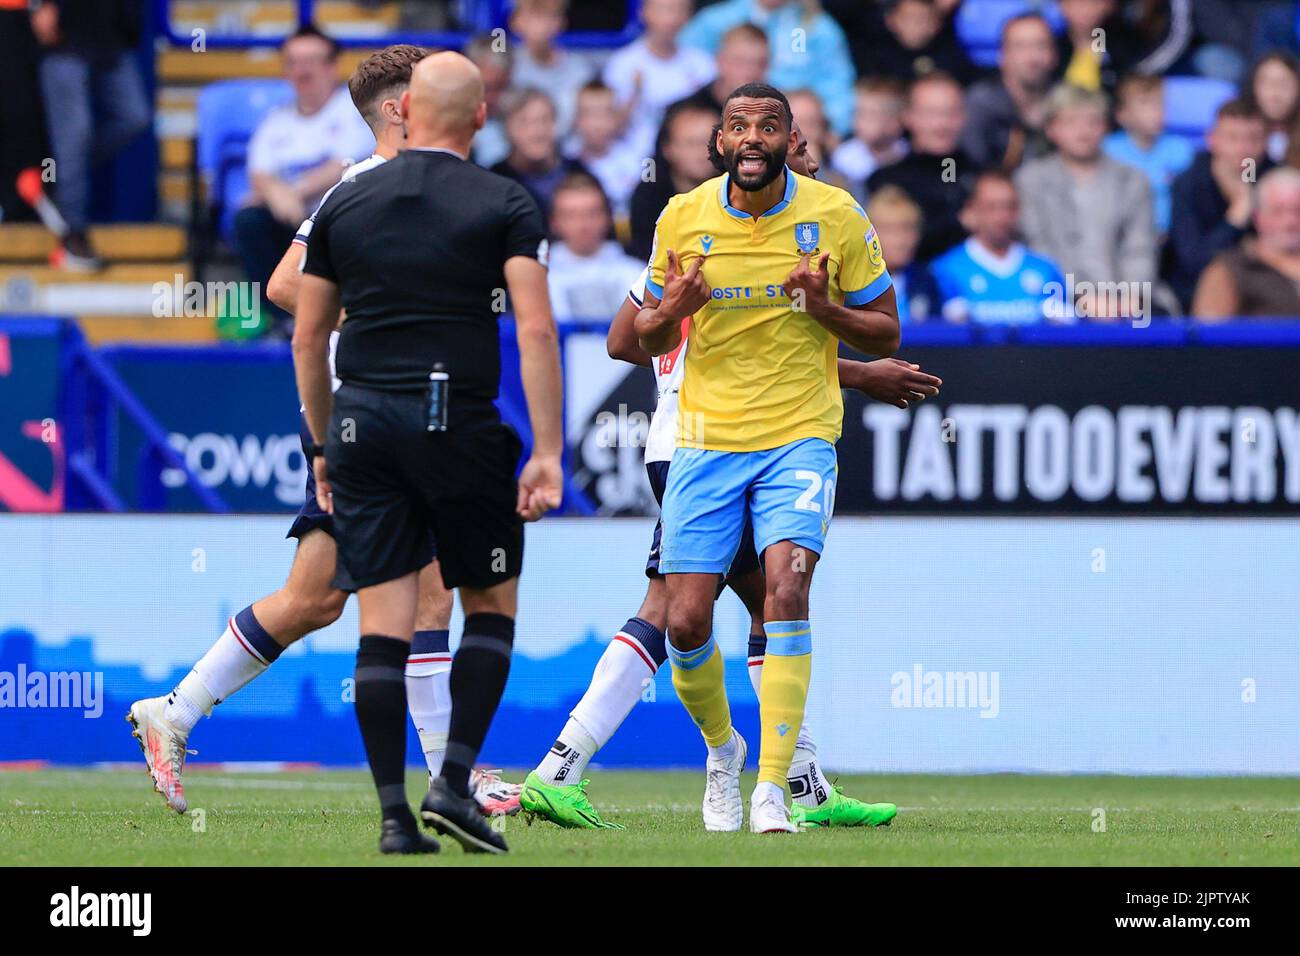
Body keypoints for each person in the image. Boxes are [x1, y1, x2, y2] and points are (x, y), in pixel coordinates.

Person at [127, 45, 518, 823]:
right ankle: (451, 777)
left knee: (313, 599)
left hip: (392, 419)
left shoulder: (407, 184)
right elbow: (279, 286)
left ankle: (174, 709)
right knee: (431, 588)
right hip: (376, 416)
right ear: (402, 109)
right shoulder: (365, 184)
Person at [519, 123, 938, 830]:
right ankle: (572, 764)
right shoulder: (695, 226)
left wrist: (848, 359)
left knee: (745, 605)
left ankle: (790, 781)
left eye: (799, 154)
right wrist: (859, 373)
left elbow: (778, 348)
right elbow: (642, 339)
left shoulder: (812, 221)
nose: (802, 168)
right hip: (693, 441)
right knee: (702, 611)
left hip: (743, 439)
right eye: (799, 155)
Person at [294, 51, 565, 855]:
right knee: (489, 604)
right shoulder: (506, 202)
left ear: (405, 110)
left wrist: (320, 442)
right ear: (481, 117)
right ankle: (453, 780)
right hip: (457, 423)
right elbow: (536, 329)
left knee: (382, 623)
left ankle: (392, 818)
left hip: (362, 426)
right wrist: (547, 449)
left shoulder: (344, 201)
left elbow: (309, 334)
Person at [635, 83, 900, 833]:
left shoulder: (836, 214)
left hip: (799, 434)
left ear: (790, 139)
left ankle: (773, 788)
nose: (753, 137)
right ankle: (724, 754)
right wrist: (674, 314)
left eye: (770, 126)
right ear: (719, 142)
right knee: (685, 623)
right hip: (707, 440)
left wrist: (825, 312)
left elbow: (886, 331)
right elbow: (646, 339)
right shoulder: (683, 218)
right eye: (739, 126)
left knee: (786, 590)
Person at [236, 25, 375, 333]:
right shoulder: (276, 120)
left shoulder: (353, 111)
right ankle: (281, 319)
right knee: (248, 219)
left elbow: (345, 164)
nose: (302, 71)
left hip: (339, 216)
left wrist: (293, 192)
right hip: (289, 219)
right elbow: (259, 173)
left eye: (310, 60)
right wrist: (277, 195)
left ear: (332, 65)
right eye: (293, 62)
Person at [1015, 83, 1156, 319]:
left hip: (1123, 302)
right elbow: (1037, 246)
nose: (1083, 131)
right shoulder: (1030, 180)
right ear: (1051, 129)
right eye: (1071, 122)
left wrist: (1129, 297)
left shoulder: (1133, 180)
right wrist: (1079, 298)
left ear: (1106, 128)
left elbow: (1139, 248)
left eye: (1092, 122)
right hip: (1051, 298)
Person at [30, 0, 150, 270]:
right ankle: (73, 233)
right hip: (66, 37)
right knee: (75, 133)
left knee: (135, 118)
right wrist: (38, 5)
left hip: (111, 36)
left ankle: (57, 180)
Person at [679, 0, 856, 136]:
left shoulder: (818, 28)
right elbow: (683, 65)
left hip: (792, 125)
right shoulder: (715, 21)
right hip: (714, 112)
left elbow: (838, 86)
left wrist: (833, 130)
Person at [1168, 98, 1270, 308]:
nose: (1244, 149)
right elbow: (1193, 261)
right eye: (1233, 138)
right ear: (1212, 139)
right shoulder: (1189, 183)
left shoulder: (1275, 179)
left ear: (1266, 143)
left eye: (1253, 139)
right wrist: (1239, 212)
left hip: (1267, 290)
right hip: (1196, 293)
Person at [868, 72, 981, 261]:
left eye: (950, 113)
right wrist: (958, 222)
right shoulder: (885, 181)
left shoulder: (979, 178)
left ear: (963, 117)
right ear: (908, 117)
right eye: (930, 113)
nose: (941, 124)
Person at [931, 171, 1068, 325]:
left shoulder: (1045, 269)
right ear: (972, 209)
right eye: (992, 207)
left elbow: (1065, 332)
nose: (1002, 217)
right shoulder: (945, 270)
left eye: (1010, 207)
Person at [602, 0, 717, 163]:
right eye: (664, 9)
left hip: (689, 158)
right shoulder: (622, 64)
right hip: (635, 160)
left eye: (680, 10)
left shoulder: (703, 65)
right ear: (643, 13)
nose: (671, 18)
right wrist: (634, 94)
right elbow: (608, 127)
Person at [1192, 166, 1300, 319]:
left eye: (1298, 210)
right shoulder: (1229, 269)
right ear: (1257, 217)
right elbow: (1209, 335)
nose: (1290, 221)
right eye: (1278, 211)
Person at [960, 12, 1060, 171]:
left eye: (1041, 45)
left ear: (1054, 55)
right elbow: (969, 169)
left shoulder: (1068, 103)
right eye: (1020, 46)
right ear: (1002, 56)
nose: (1032, 57)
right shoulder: (979, 104)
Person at [627, 101, 720, 261]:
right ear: (667, 149)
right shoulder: (647, 199)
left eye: (709, 142)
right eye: (691, 143)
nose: (702, 152)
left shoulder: (743, 189)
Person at [546, 173, 645, 321]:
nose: (583, 225)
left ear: (608, 217)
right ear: (553, 222)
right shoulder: (539, 278)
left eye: (592, 214)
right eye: (571, 216)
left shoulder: (637, 273)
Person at [490, 87, 593, 218]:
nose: (538, 132)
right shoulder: (495, 182)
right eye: (525, 122)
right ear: (506, 129)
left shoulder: (578, 171)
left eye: (545, 120)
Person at [508, 0, 591, 138]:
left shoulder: (581, 70)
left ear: (562, 22)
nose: (539, 26)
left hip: (567, 151)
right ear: (515, 22)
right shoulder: (508, 68)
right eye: (532, 17)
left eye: (548, 17)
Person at [565, 80, 642, 218]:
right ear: (576, 119)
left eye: (605, 114)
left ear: (617, 118)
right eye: (588, 114)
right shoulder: (566, 163)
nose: (597, 124)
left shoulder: (639, 162)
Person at [868, 185, 938, 323]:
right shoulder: (852, 283)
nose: (900, 240)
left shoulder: (926, 281)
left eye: (907, 229)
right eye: (889, 230)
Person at [830, 77, 908, 200]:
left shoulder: (905, 152)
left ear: (894, 122)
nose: (860, 123)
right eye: (858, 114)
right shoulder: (844, 157)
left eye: (871, 115)